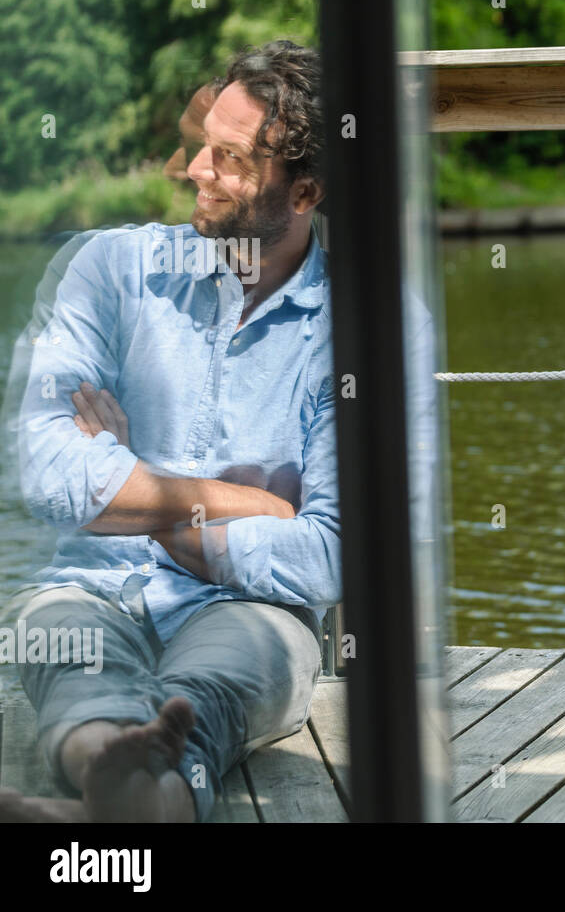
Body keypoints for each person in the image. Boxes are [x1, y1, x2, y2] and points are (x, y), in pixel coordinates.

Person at [0, 40, 335, 822]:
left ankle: (98, 812)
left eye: (229, 158)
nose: (196, 172)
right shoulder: (107, 269)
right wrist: (244, 503)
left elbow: (332, 552)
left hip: (254, 609)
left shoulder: (356, 331)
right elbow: (48, 475)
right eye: (201, 145)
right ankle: (117, 779)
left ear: (306, 191)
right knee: (70, 653)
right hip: (87, 586)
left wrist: (124, 477)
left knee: (216, 687)